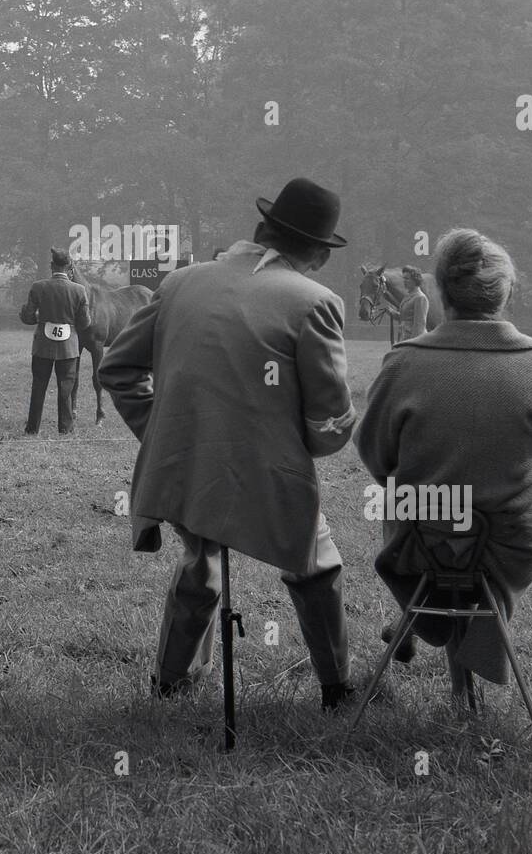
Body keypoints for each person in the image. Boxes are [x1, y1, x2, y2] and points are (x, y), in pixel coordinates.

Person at [100, 177, 359, 711]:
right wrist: (300, 444)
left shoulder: (178, 283)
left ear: (262, 229)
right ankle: (336, 686)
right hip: (272, 473)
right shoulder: (315, 302)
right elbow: (330, 419)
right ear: (314, 250)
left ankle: (170, 679)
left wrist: (168, 434)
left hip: (184, 467)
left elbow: (118, 369)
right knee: (317, 566)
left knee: (200, 563)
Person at [355, 228, 532, 690]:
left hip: (419, 539)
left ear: (441, 292)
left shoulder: (402, 364)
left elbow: (376, 459)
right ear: (507, 293)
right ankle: (459, 636)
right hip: (511, 543)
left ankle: (419, 618)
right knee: (508, 510)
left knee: (422, 506)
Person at [21, 248, 92, 435]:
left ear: (51, 266)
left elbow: (28, 317)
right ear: (69, 267)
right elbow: (85, 323)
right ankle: (65, 428)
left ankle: (32, 428)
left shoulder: (38, 286)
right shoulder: (79, 290)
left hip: (42, 345)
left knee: (39, 386)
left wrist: (36, 317)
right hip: (68, 347)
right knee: (66, 388)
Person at [395, 265, 430, 341]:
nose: (404, 281)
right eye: (403, 278)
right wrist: (393, 314)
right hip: (404, 338)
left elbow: (419, 326)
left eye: (407, 279)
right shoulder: (408, 295)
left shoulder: (420, 298)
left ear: (415, 280)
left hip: (414, 340)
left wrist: (412, 344)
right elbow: (406, 318)